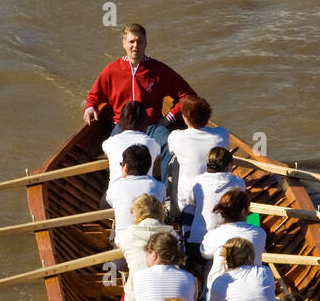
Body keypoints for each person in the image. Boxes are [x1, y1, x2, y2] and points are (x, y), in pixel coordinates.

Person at [83, 22, 195, 152]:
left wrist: (168, 119)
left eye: (140, 41)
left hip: (152, 126)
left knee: (169, 147)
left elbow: (189, 96)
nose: (135, 45)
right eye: (132, 41)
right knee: (112, 150)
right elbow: (94, 96)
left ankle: (166, 173)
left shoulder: (160, 70)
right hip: (122, 127)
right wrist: (90, 107)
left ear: (145, 44)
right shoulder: (111, 70)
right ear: (124, 43)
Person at [165, 96, 230, 218]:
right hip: (219, 197)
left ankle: (174, 212)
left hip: (188, 204)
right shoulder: (223, 134)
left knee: (174, 161)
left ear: (185, 118)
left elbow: (171, 149)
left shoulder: (176, 137)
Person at [185, 146, 245, 266]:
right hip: (231, 243)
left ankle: (187, 255)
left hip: (198, 242)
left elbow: (190, 202)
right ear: (229, 166)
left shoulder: (198, 181)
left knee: (187, 209)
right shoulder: (239, 182)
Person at [201, 189, 266, 290]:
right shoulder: (260, 232)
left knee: (211, 259)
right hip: (251, 285)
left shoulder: (215, 234)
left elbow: (204, 253)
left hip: (223, 288)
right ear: (244, 211)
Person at [116, 194, 176, 294]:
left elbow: (119, 244)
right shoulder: (173, 234)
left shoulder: (127, 234)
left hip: (135, 295)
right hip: (170, 295)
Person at [105, 145, 166, 236]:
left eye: (121, 164)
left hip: (123, 245)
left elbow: (107, 204)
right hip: (154, 242)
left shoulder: (114, 187)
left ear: (125, 167)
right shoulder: (160, 186)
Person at [102, 102, 162, 183]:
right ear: (144, 121)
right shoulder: (152, 143)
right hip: (146, 193)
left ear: (121, 120)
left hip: (117, 193)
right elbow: (158, 152)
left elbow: (104, 148)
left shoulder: (110, 142)